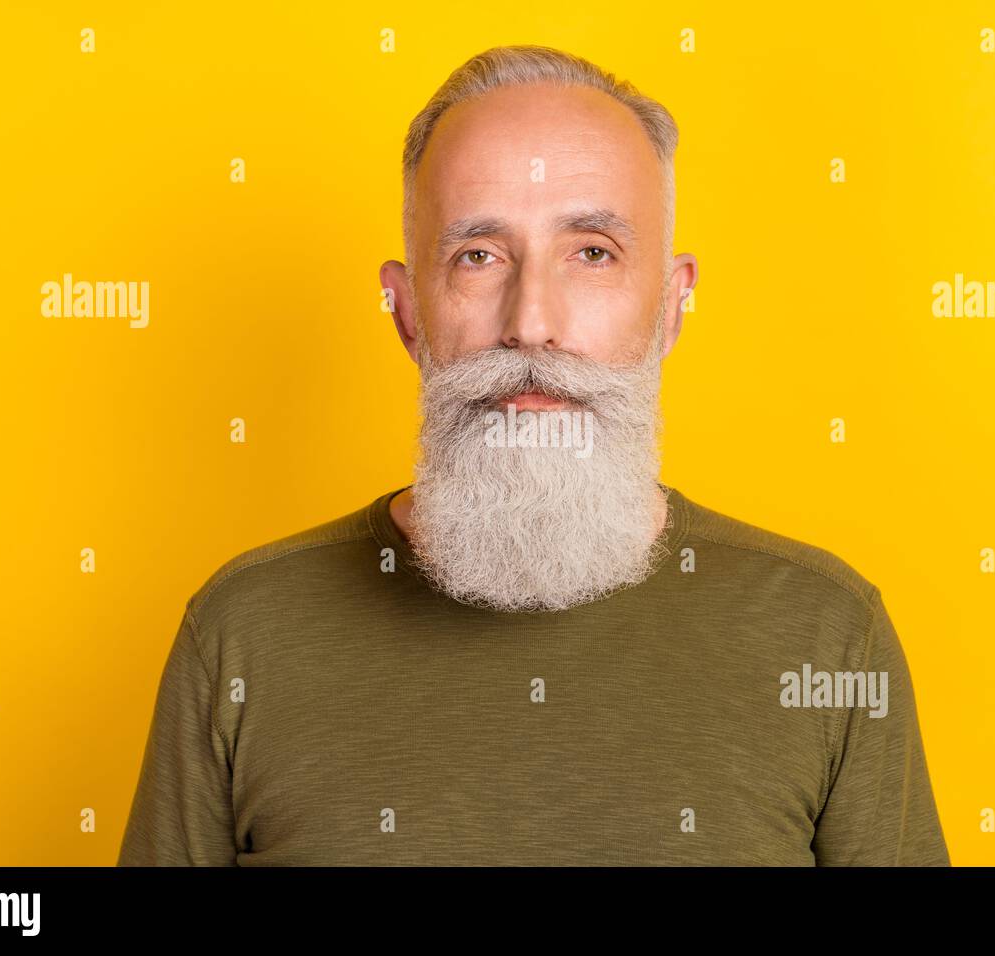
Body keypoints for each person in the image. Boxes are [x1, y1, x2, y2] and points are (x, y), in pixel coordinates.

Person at [117, 44, 949, 866]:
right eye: (477, 256)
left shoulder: (828, 636)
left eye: (592, 252)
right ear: (409, 314)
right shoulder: (240, 635)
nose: (532, 321)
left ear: (671, 306)